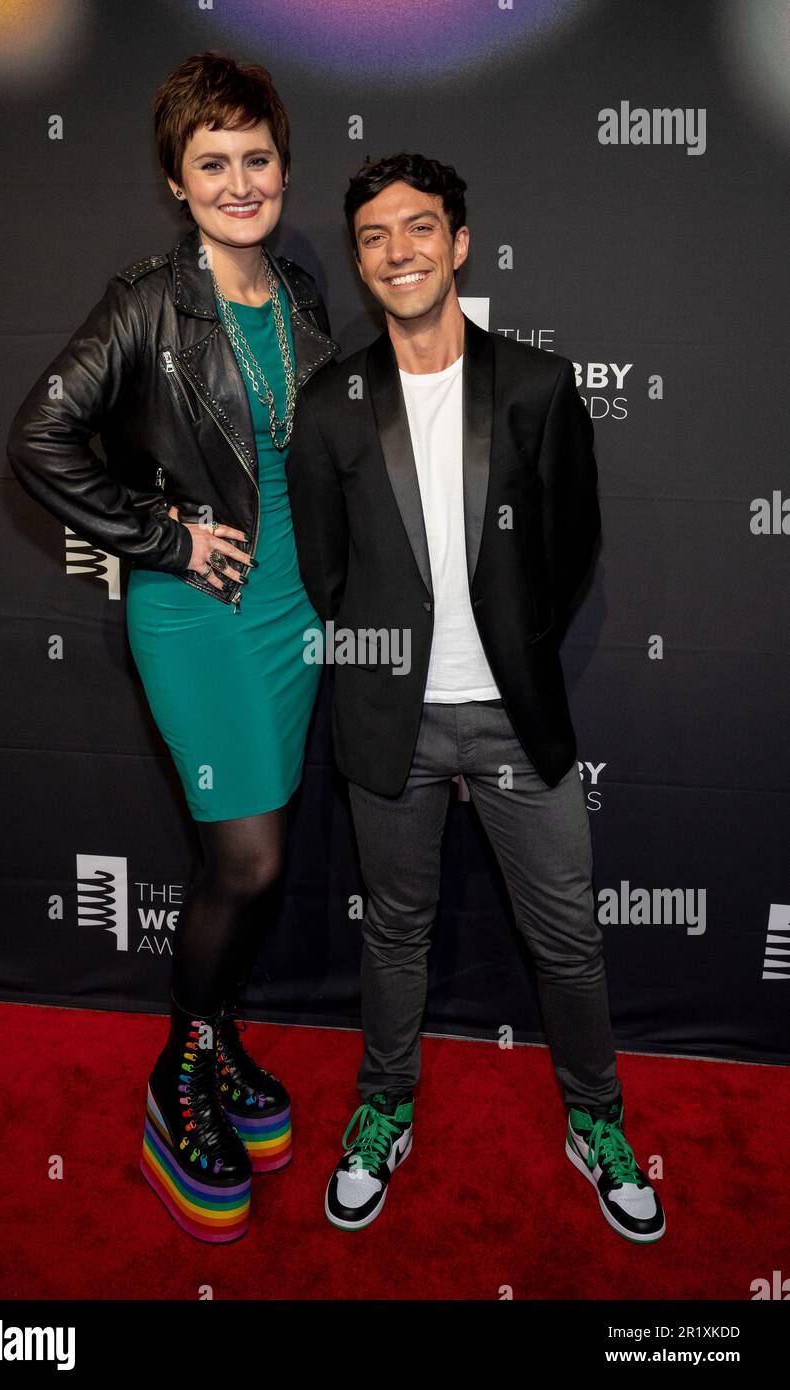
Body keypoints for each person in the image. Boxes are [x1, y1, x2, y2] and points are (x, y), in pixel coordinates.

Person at [285, 152, 666, 1243]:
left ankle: (594, 1120)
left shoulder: (538, 387)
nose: (396, 250)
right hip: (387, 723)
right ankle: (382, 1109)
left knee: (567, 939)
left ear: (457, 244)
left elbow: (570, 547)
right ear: (358, 262)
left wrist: (509, 647)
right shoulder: (330, 402)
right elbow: (323, 569)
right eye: (372, 236)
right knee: (393, 931)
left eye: (418, 229)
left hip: (511, 716)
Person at [6, 52, 338, 1243]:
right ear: (175, 180)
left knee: (252, 856)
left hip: (293, 613)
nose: (239, 180)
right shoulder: (148, 300)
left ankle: (218, 1038)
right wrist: (161, 536)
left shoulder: (300, 296)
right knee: (245, 861)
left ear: (282, 167)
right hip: (199, 614)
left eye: (256, 157)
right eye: (213, 162)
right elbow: (40, 436)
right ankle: (172, 1082)